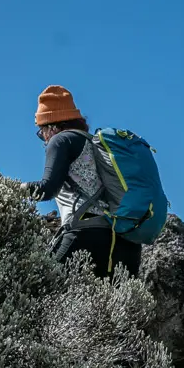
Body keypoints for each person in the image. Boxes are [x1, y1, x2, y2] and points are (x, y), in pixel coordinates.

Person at [26, 85, 142, 278]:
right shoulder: (97, 144)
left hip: (85, 233)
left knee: (37, 288)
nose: (43, 139)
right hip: (123, 242)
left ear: (51, 126)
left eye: (41, 132)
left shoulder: (61, 140)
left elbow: (47, 189)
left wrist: (11, 188)